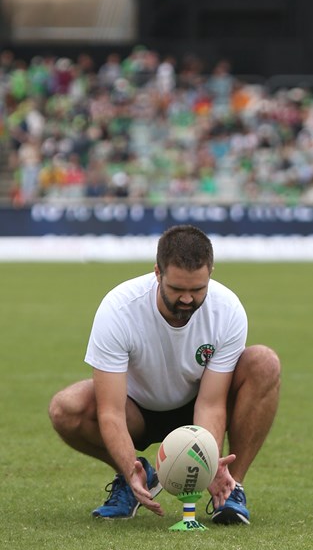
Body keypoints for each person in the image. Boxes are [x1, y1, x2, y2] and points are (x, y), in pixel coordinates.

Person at [48, 225, 280, 525]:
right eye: (177, 289)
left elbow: (211, 404)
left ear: (210, 272)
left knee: (264, 362)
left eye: (197, 290)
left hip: (196, 402)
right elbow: (111, 412)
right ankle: (136, 476)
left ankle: (230, 489)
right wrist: (128, 467)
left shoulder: (228, 310)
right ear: (157, 273)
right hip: (136, 410)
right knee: (65, 408)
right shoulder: (118, 309)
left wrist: (207, 465)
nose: (187, 299)